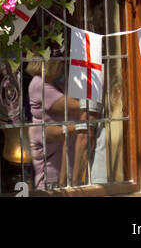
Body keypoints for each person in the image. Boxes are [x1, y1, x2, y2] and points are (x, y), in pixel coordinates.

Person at [26, 57, 96, 189]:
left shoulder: (56, 84)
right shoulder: (38, 84)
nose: (63, 63)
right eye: (60, 60)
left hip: (67, 171)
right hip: (51, 178)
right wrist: (94, 99)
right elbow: (76, 106)